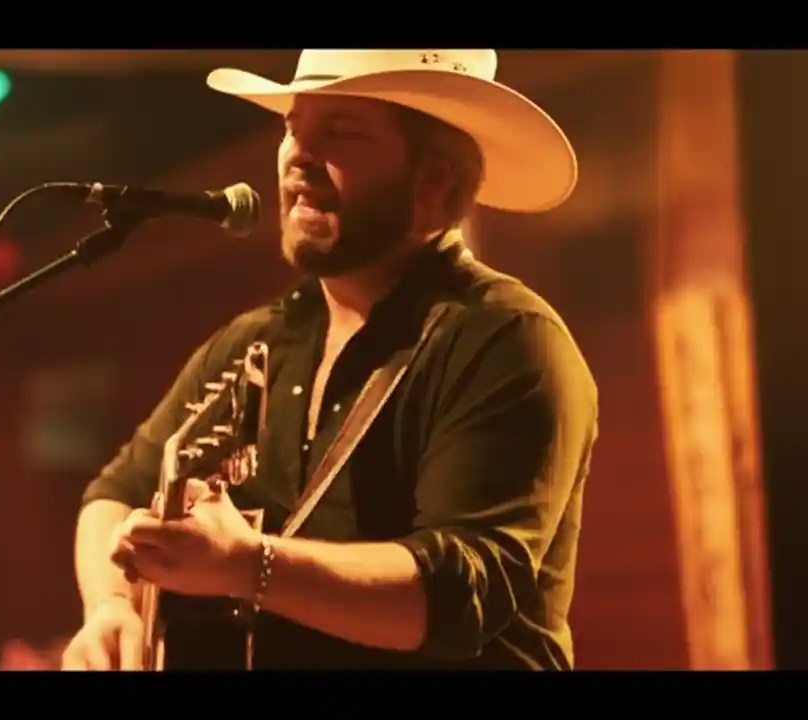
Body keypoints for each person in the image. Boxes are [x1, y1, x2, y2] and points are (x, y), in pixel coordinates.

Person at [61, 49, 599, 671]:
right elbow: (115, 493)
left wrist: (247, 564)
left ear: (435, 181)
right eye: (293, 126)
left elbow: (456, 595)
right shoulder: (257, 339)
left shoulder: (507, 339)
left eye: (341, 131)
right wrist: (110, 606)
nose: (297, 155)